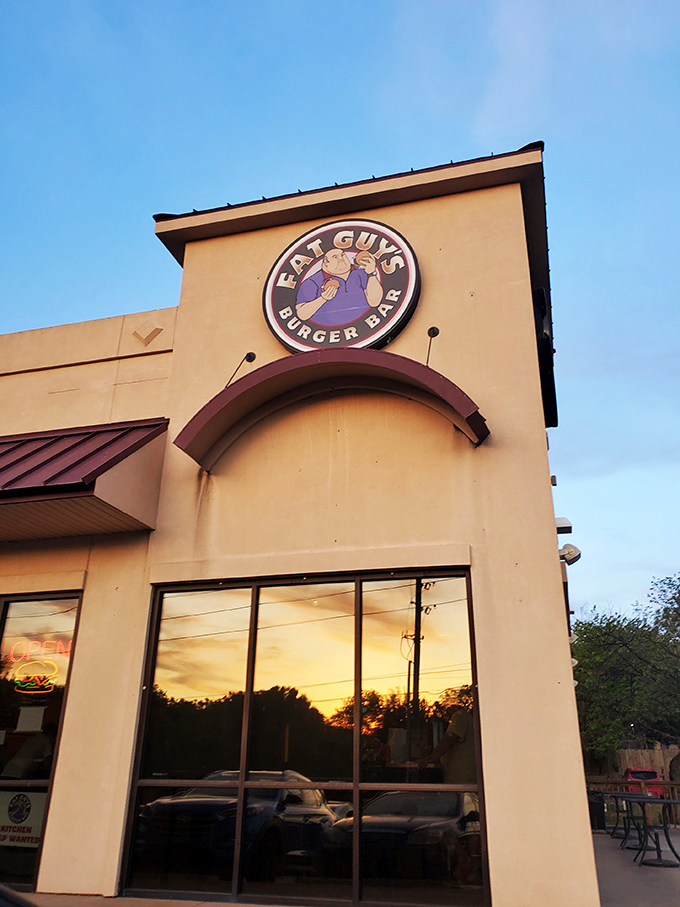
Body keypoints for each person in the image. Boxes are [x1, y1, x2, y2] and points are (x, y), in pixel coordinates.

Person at [295, 248, 383, 326]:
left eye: (342, 255)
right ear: (326, 263)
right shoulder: (312, 282)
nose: (341, 258)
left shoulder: (361, 273)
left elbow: (374, 302)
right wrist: (323, 299)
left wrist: (371, 274)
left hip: (364, 325)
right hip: (328, 331)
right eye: (335, 257)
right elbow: (302, 314)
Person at [418, 705, 477, 785]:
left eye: (448, 708)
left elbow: (449, 739)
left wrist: (431, 758)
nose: (446, 712)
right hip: (459, 776)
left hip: (461, 778)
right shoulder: (467, 718)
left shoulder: (459, 715)